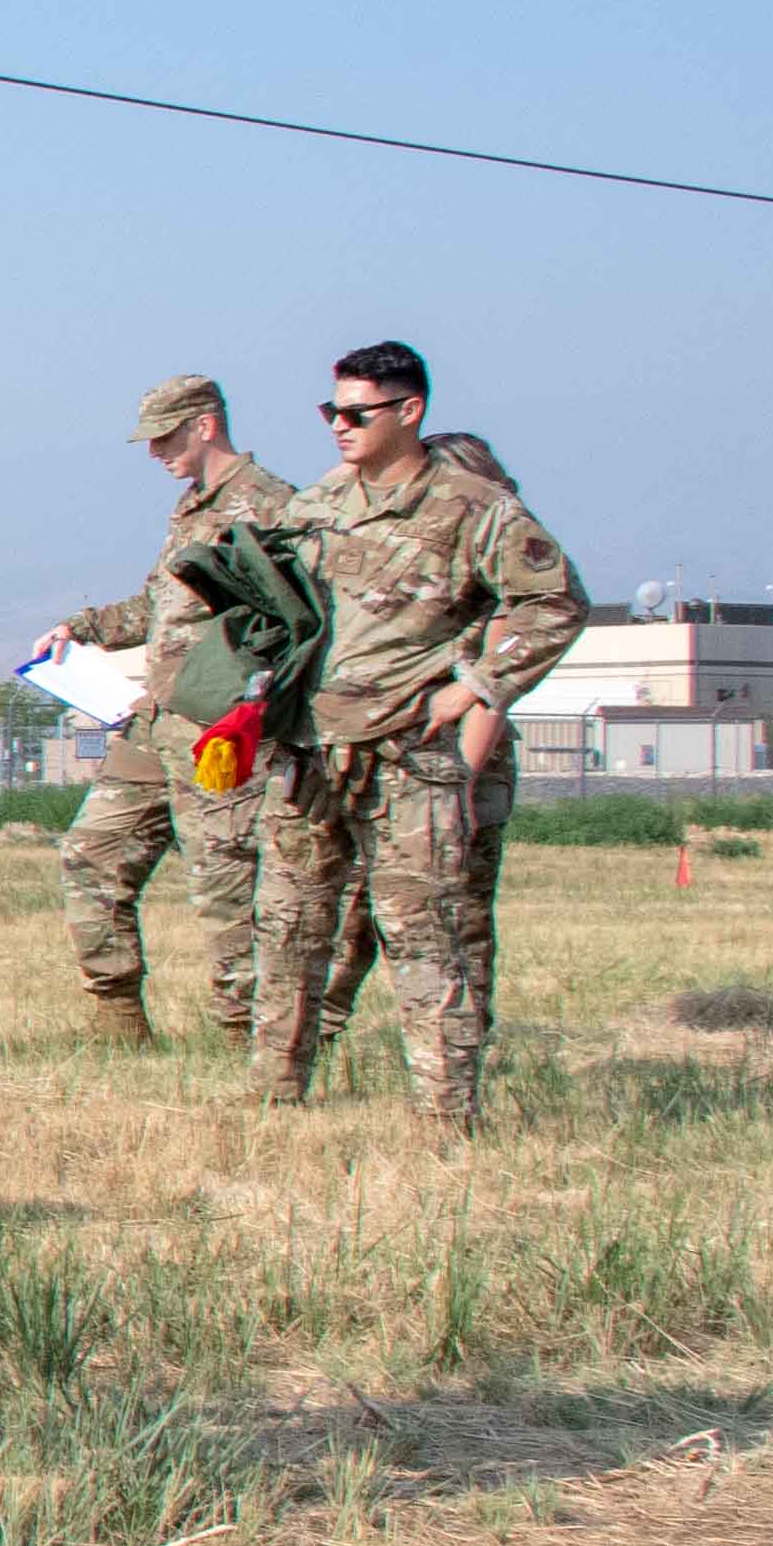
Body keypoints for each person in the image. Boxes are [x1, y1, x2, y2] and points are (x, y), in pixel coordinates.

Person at [259, 350, 582, 1127]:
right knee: (288, 933)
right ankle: (271, 1104)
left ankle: (446, 1121)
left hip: (405, 756)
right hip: (309, 754)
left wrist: (476, 686)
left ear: (409, 412)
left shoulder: (475, 508)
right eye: (330, 413)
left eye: (356, 414)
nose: (339, 426)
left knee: (421, 939)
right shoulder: (316, 504)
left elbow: (557, 604)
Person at [26, 375, 298, 1047]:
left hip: (221, 732)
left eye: (165, 436)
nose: (154, 452)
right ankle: (117, 1021)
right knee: (91, 856)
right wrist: (81, 628)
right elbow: (157, 608)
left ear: (204, 424)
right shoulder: (191, 509)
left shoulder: (273, 507)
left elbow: (296, 620)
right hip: (155, 723)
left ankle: (245, 1039)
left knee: (226, 890)